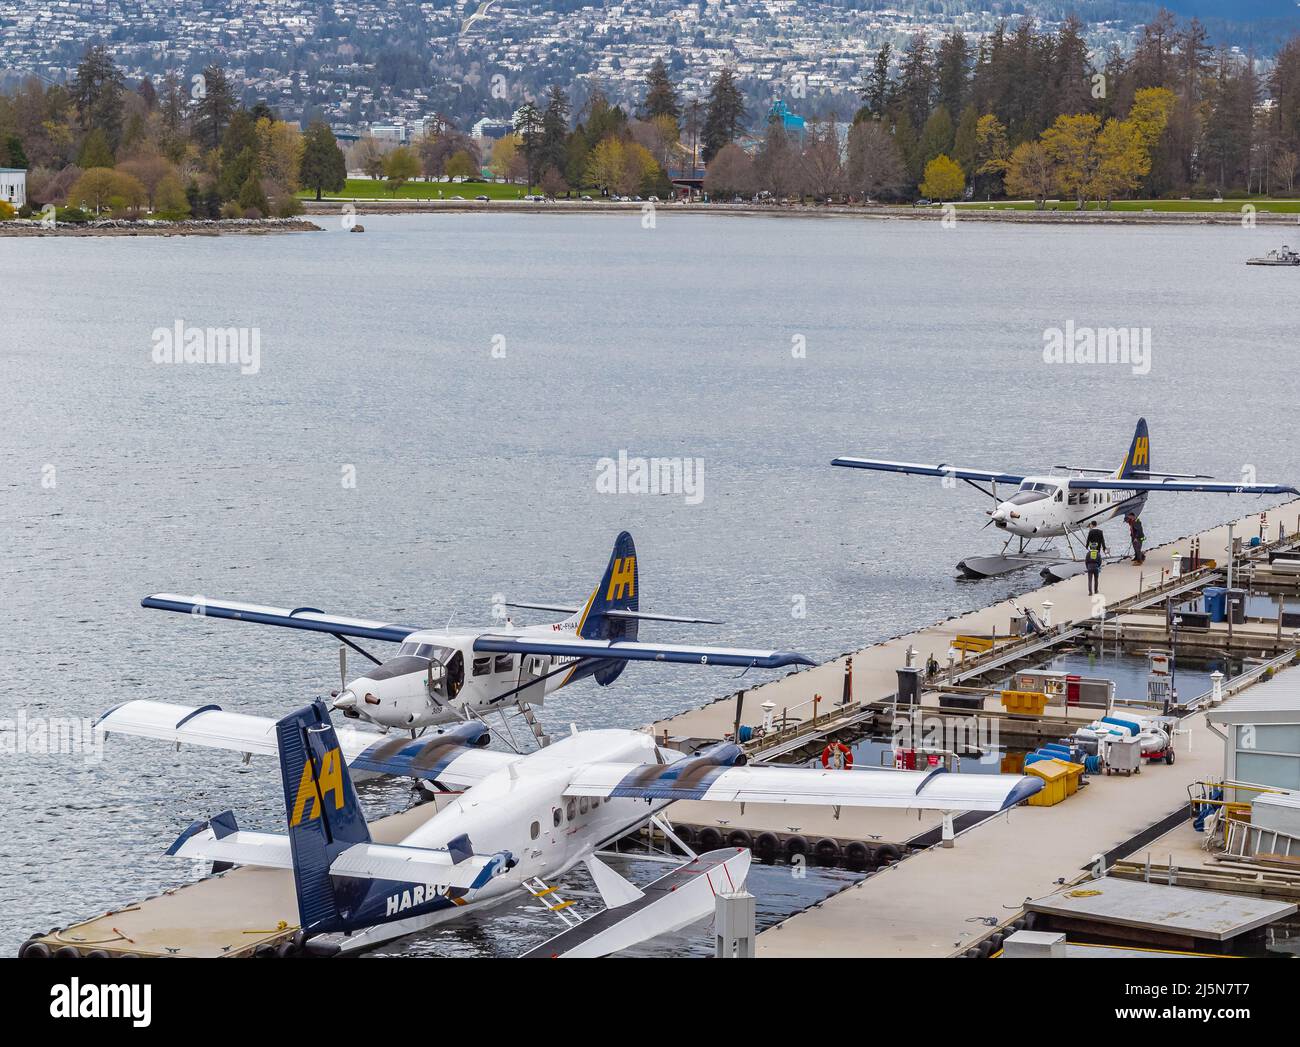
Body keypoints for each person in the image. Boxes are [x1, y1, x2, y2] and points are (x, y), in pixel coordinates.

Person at [1084, 524, 1107, 595]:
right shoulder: (1100, 532)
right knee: (1096, 580)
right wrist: (1104, 547)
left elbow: (1086, 561)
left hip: (1090, 567)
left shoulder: (1088, 553)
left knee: (1090, 580)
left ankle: (1090, 592)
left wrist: (1087, 545)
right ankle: (1096, 591)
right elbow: (1102, 540)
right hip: (1096, 566)